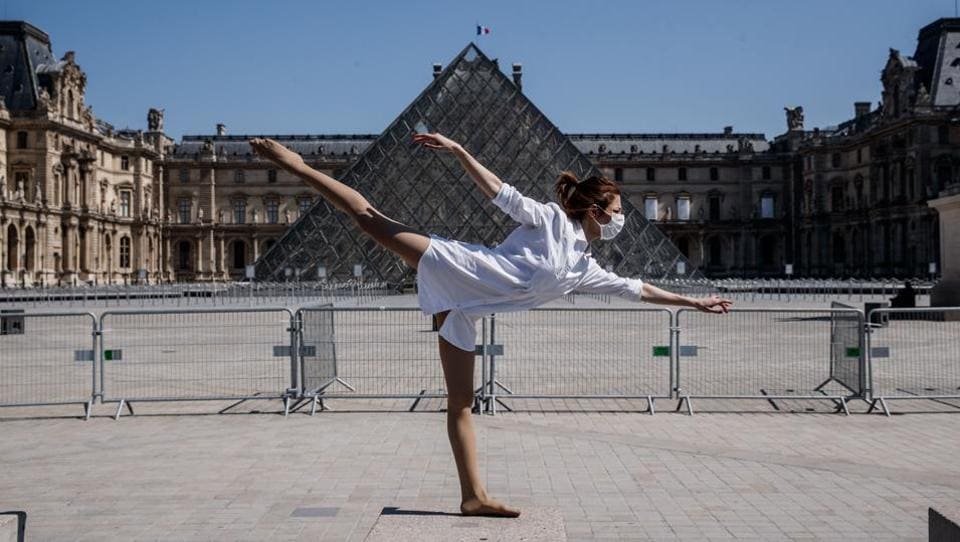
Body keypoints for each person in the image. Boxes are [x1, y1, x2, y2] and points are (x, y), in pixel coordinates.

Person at [249, 133, 733, 518]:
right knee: (370, 219)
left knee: (462, 402)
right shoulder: (547, 220)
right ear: (595, 211)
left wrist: (692, 302)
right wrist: (460, 150)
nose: (622, 220)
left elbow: (638, 289)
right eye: (619, 212)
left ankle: (472, 496)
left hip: (464, 311)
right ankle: (297, 165)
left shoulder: (584, 265)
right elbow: (500, 192)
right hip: (456, 265)